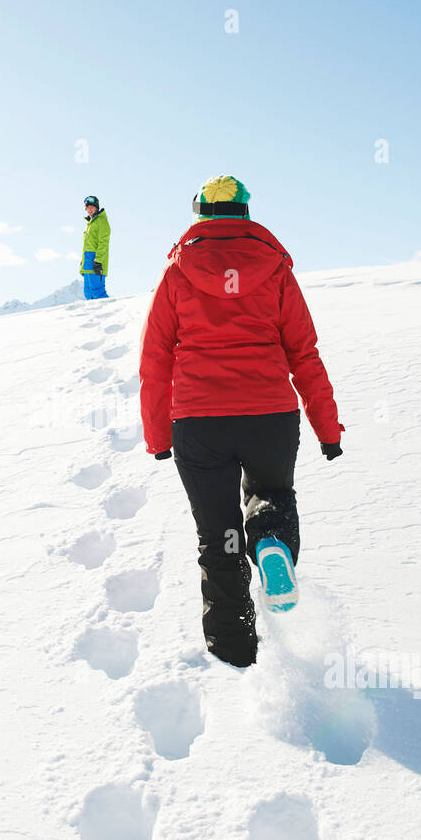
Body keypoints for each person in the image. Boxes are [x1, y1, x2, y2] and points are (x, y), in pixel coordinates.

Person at [139, 174, 344, 668]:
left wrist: (156, 436)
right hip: (269, 415)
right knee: (271, 498)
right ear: (246, 214)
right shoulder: (275, 270)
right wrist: (328, 430)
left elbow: (155, 359)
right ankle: (271, 541)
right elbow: (305, 354)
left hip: (200, 421)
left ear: (201, 215)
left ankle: (234, 657)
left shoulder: (176, 272)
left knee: (219, 539)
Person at [80, 195, 110, 299]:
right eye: (88, 208)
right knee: (88, 293)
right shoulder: (90, 223)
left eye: (92, 207)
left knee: (98, 292)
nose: (90, 210)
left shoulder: (101, 221)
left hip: (96, 262)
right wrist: (82, 263)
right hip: (87, 263)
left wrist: (98, 261)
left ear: (96, 207)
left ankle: (108, 313)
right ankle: (94, 315)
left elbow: (103, 242)